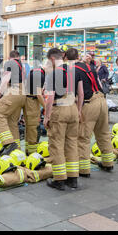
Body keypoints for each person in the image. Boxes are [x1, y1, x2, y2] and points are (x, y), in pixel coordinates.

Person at [71, 49, 114, 175]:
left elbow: (77, 92)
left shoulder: (73, 70)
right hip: (101, 100)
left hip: (89, 104)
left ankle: (84, 169)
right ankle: (108, 163)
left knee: (83, 137)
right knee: (104, 134)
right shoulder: (90, 67)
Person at [43, 48, 80, 190]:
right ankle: (73, 178)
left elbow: (50, 96)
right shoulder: (73, 71)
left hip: (60, 109)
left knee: (56, 144)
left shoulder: (54, 73)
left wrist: (47, 116)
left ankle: (59, 180)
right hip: (73, 107)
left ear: (52, 59)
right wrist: (79, 110)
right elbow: (81, 92)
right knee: (71, 143)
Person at [0, 50, 27, 155]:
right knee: (12, 122)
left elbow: (5, 80)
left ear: (9, 57)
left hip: (13, 91)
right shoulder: (22, 65)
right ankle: (17, 152)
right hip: (22, 94)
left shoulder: (9, 63)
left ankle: (8, 144)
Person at [23, 65, 46, 155]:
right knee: (33, 128)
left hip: (29, 100)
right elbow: (38, 94)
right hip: (32, 102)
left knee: (29, 128)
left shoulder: (35, 71)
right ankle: (32, 154)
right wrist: (46, 108)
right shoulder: (40, 75)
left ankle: (28, 151)